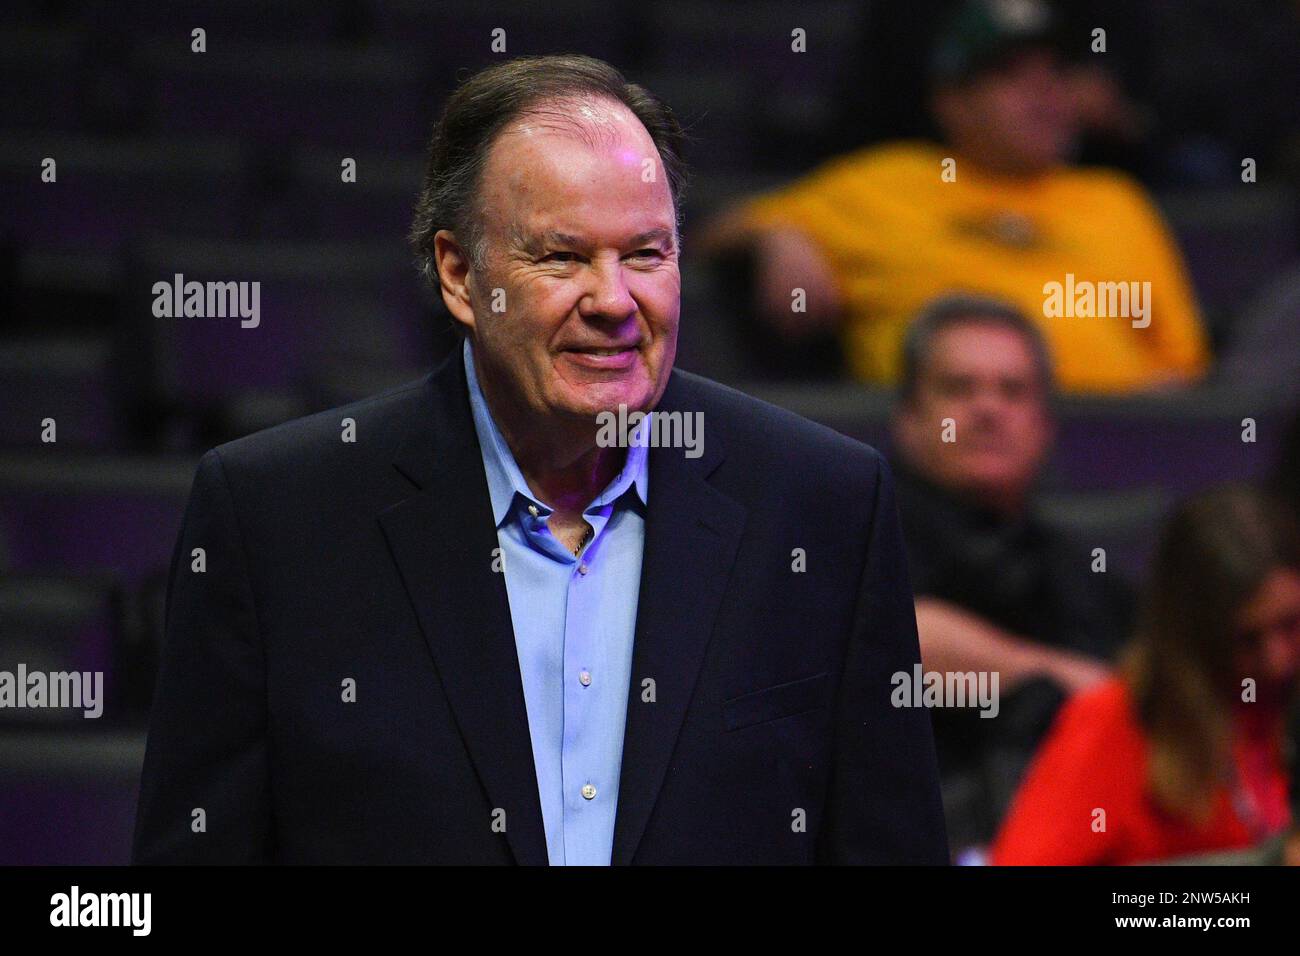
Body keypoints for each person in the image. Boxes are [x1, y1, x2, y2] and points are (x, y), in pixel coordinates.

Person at [132, 55, 948, 865]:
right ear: (459, 275)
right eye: (562, 257)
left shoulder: (820, 500)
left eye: (645, 254)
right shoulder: (276, 516)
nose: (613, 301)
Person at [698, 0, 1209, 393]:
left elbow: (1182, 366)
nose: (1045, 93)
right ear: (950, 99)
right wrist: (777, 235)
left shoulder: (1117, 199)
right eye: (1011, 74)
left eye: (1056, 72)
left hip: (1108, 456)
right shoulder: (885, 182)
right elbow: (710, 232)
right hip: (936, 466)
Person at [889, 294, 1133, 853]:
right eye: (958, 388)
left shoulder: (1078, 570)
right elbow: (893, 633)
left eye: (1013, 391)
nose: (988, 410)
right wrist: (1065, 678)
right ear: (908, 419)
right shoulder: (855, 527)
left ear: (1045, 424)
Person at [992, 485, 1300, 864]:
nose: (1277, 660)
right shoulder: (1116, 721)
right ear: (1188, 631)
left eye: (1291, 625)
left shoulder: (1282, 711)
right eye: (1246, 639)